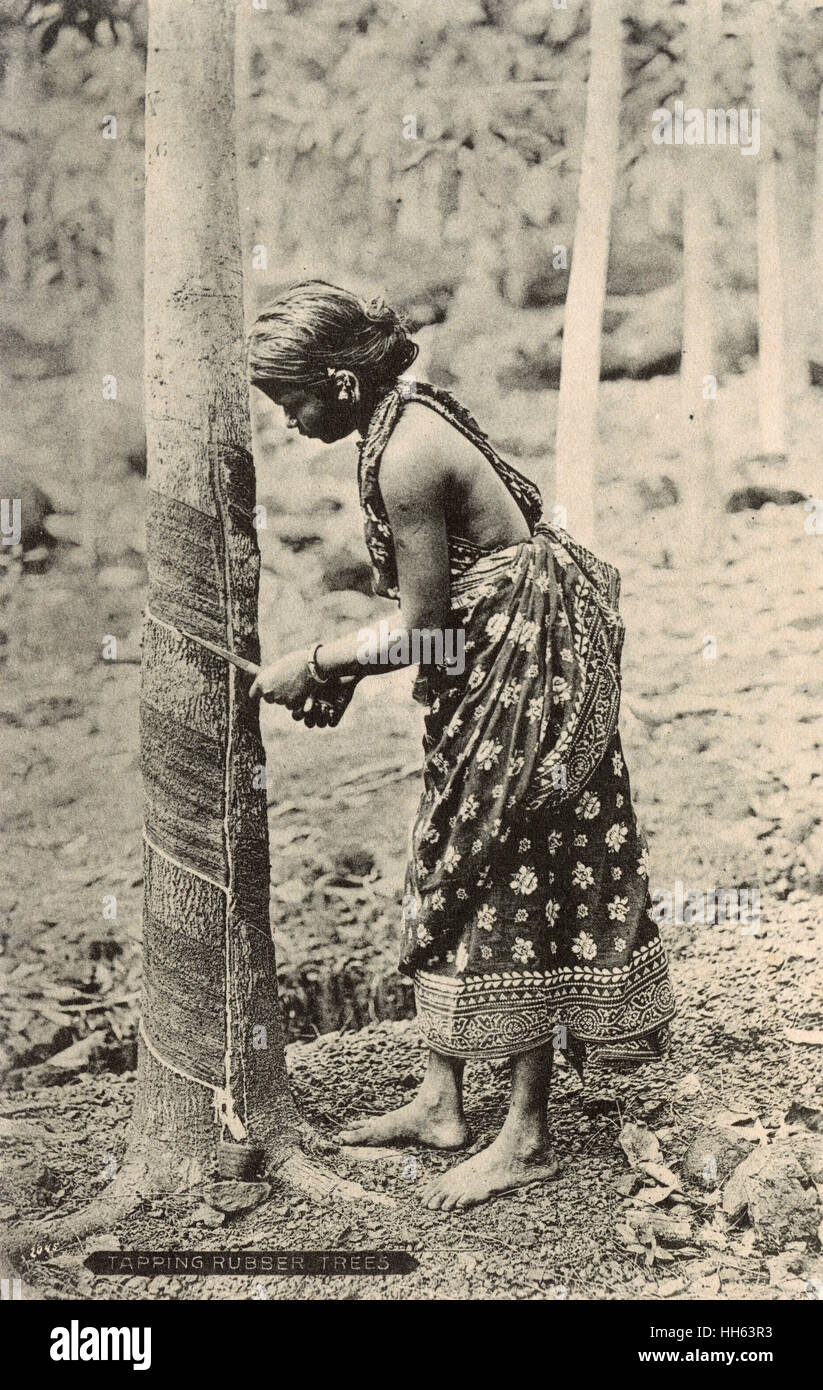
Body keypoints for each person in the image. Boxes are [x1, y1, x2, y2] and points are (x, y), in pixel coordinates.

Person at [247, 280, 675, 1212]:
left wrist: (317, 661)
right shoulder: (398, 424)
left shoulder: (408, 453)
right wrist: (339, 678)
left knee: (501, 869)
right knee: (451, 858)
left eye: (293, 401)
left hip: (525, 695)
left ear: (341, 383)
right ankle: (442, 1103)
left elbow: (426, 631)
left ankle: (525, 1136)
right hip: (492, 682)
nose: (287, 422)